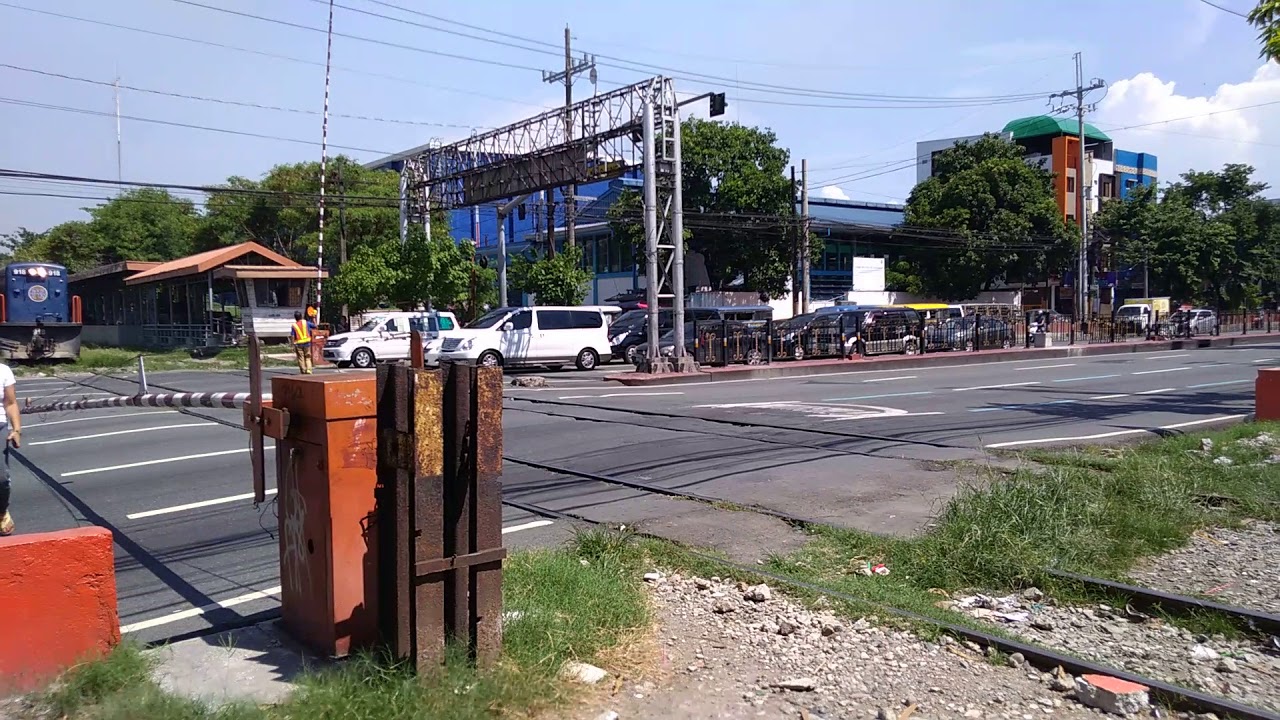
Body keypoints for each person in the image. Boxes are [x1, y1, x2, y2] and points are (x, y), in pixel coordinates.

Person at [0, 361, 20, 536]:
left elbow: (11, 403)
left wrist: (16, 429)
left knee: (2, 478)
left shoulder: (3, 370)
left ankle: (1, 511)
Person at [291, 310, 315, 375]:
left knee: (301, 358)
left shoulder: (294, 325)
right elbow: (315, 326)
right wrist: (313, 318)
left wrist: (292, 345)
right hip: (307, 343)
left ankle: (303, 371)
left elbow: (292, 336)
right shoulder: (306, 322)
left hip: (298, 344)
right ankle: (309, 370)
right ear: (301, 316)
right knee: (308, 357)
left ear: (295, 318)